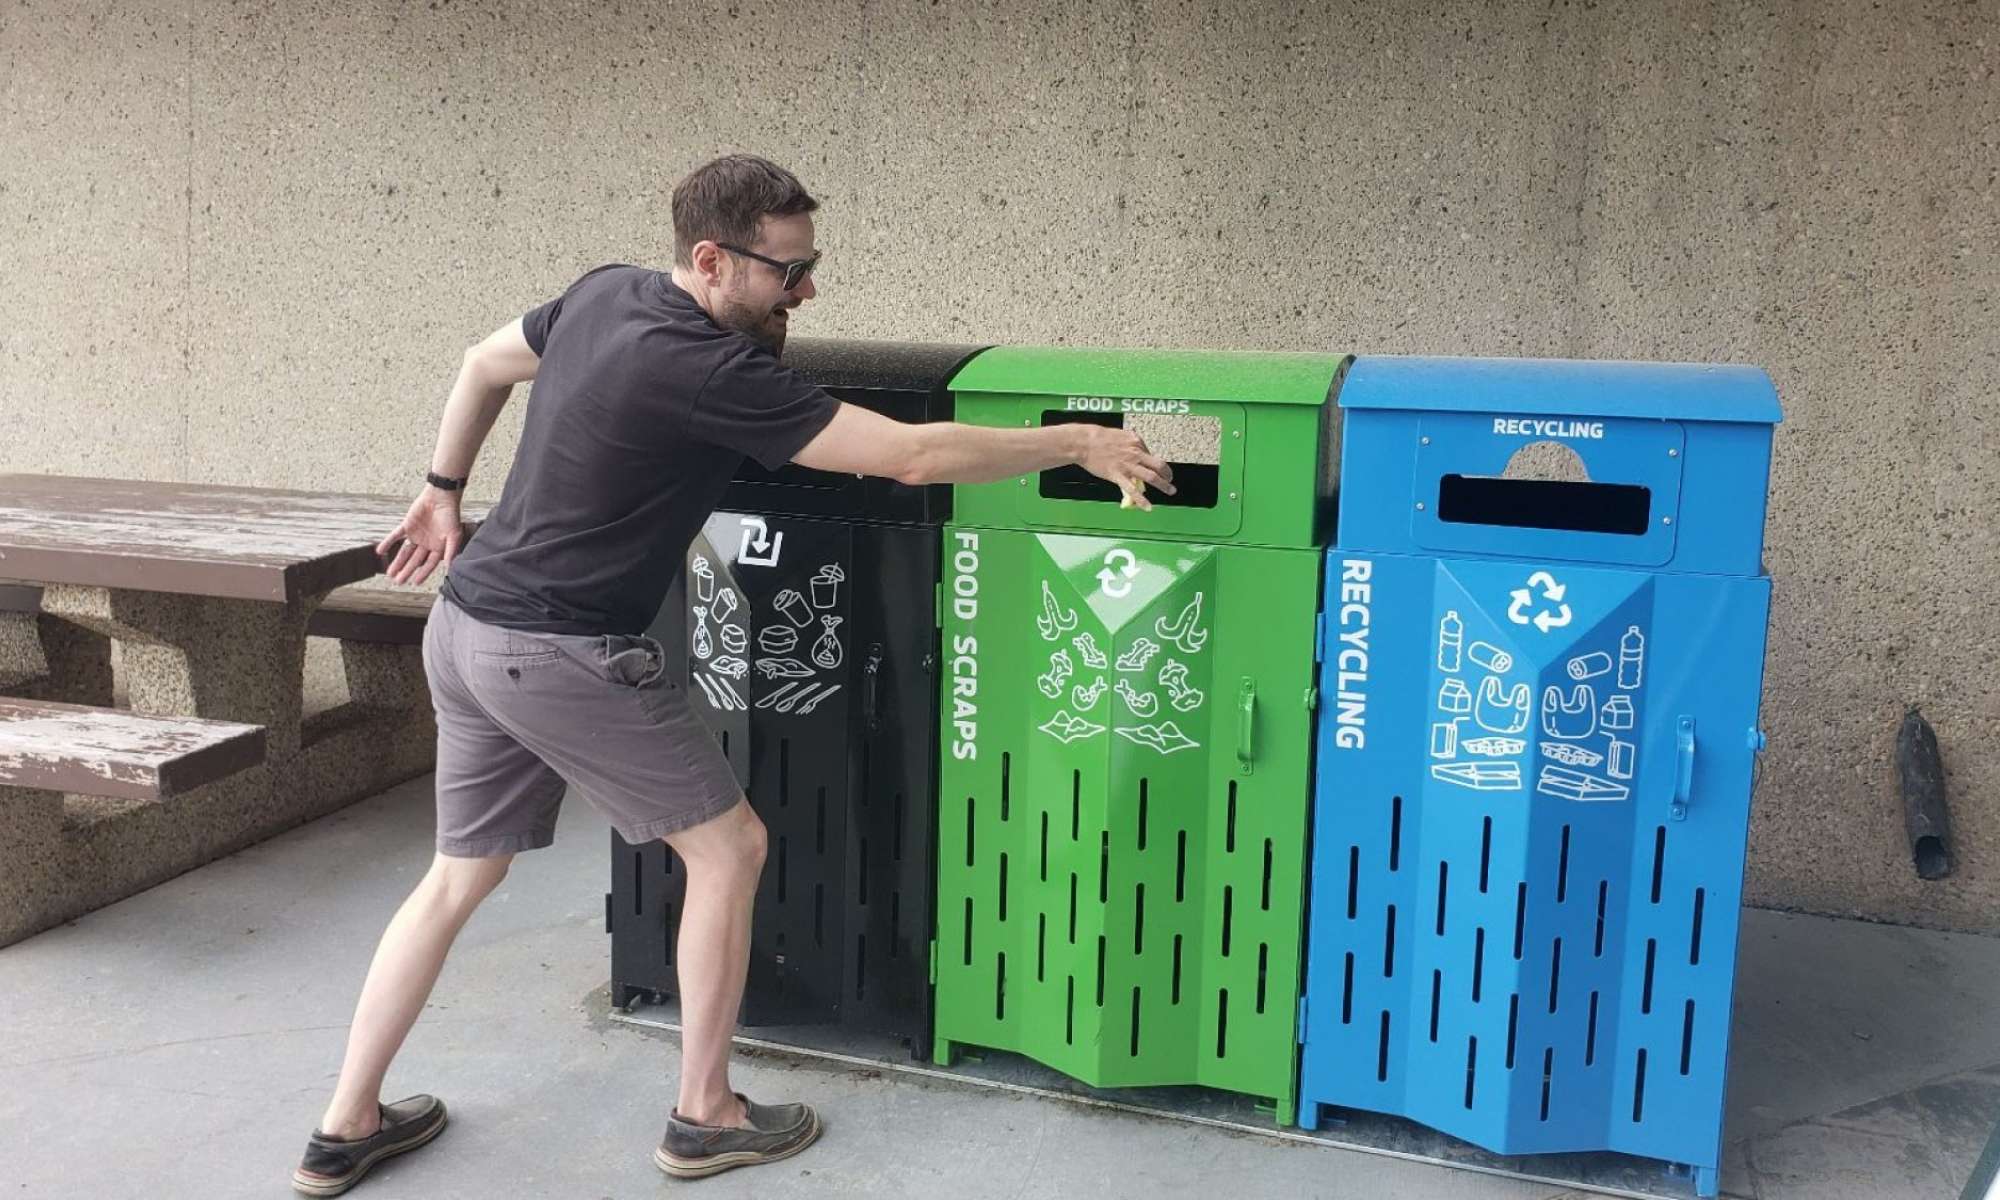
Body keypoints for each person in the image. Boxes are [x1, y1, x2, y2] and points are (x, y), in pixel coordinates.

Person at [291, 154, 1173, 1195]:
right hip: (562, 652)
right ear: (710, 259)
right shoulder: (713, 369)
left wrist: (440, 490)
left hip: (469, 628)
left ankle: (343, 1126)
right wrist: (1074, 440)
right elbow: (907, 458)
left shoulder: (602, 293)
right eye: (784, 271)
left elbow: (482, 362)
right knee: (729, 848)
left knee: (457, 877)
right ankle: (704, 1114)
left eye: (809, 266)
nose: (806, 291)